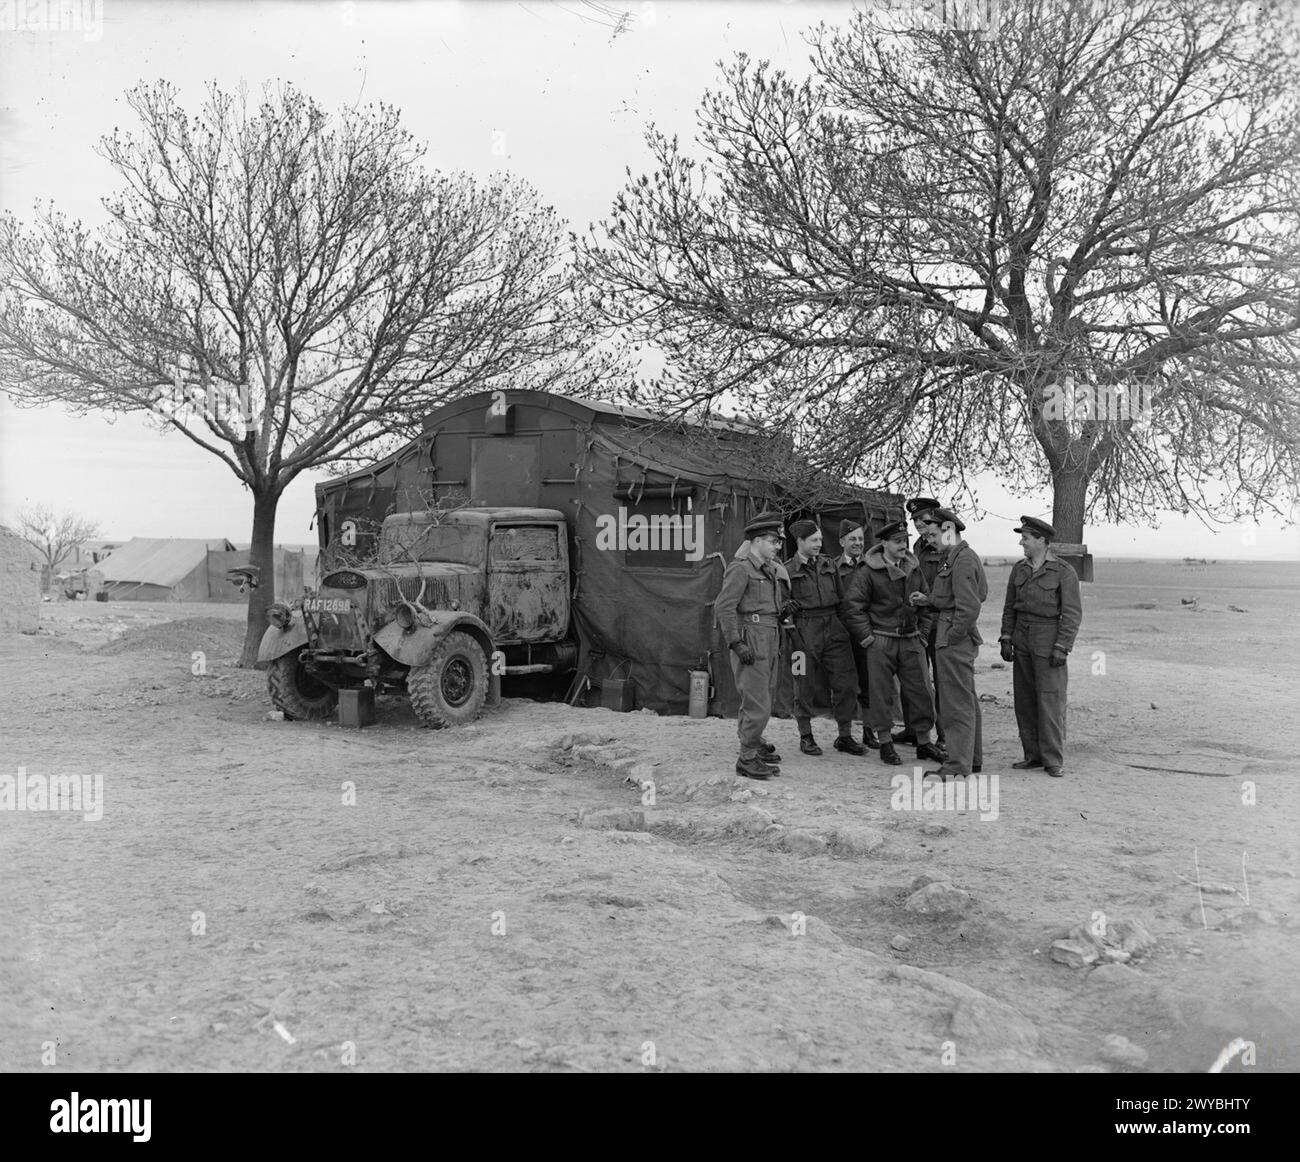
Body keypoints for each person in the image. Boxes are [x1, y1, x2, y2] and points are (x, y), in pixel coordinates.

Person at [840, 520, 947, 767]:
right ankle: (885, 742)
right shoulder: (867, 571)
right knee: (881, 694)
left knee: (921, 691)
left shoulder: (914, 568)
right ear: (884, 544)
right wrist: (868, 638)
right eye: (898, 541)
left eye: (905, 540)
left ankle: (923, 742)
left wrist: (921, 635)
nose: (903, 545)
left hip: (911, 640)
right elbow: (853, 608)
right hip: (882, 640)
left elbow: (926, 605)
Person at [999, 515, 1083, 778]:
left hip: (1048, 639)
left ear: (1042, 541)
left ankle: (1053, 760)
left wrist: (1062, 646)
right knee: (1024, 701)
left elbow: (1071, 614)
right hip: (1022, 637)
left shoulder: (1063, 572)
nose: (1021, 542)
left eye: (1025, 538)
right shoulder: (1019, 570)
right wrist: (1006, 637)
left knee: (1050, 700)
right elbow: (1009, 607)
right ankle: (1032, 755)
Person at [911, 507, 987, 780]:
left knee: (955, 704)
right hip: (951, 632)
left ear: (948, 532)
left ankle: (956, 765)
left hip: (953, 638)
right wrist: (929, 601)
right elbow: (956, 598)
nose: (929, 540)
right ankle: (971, 760)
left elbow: (969, 607)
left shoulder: (962, 560)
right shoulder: (953, 558)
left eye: (933, 534)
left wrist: (952, 637)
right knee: (964, 699)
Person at [715, 511, 790, 780]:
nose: (778, 546)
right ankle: (746, 758)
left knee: (763, 696)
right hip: (752, 637)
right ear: (757, 541)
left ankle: (754, 743)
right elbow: (724, 607)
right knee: (757, 701)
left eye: (779, 542)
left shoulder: (769, 569)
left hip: (770, 635)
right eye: (773, 541)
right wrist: (735, 642)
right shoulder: (741, 568)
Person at [784, 519, 865, 756]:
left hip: (833, 627)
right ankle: (806, 736)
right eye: (814, 540)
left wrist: (846, 629)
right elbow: (782, 609)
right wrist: (793, 636)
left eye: (820, 539)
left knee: (846, 682)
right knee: (803, 683)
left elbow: (842, 601)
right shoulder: (786, 570)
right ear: (800, 541)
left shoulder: (829, 564)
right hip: (802, 631)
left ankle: (845, 736)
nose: (819, 544)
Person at [893, 497, 945, 747]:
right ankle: (914, 729)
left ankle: (945, 735)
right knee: (912, 676)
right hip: (918, 622)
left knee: (943, 679)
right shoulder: (917, 547)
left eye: (922, 519)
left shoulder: (945, 546)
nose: (917, 524)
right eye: (914, 520)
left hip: (941, 621)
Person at [835, 517, 877, 748]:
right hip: (842, 635)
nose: (858, 543)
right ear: (842, 541)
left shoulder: (871, 566)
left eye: (861, 539)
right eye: (852, 538)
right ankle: (845, 734)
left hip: (866, 634)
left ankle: (869, 731)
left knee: (870, 684)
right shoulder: (833, 567)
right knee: (844, 686)